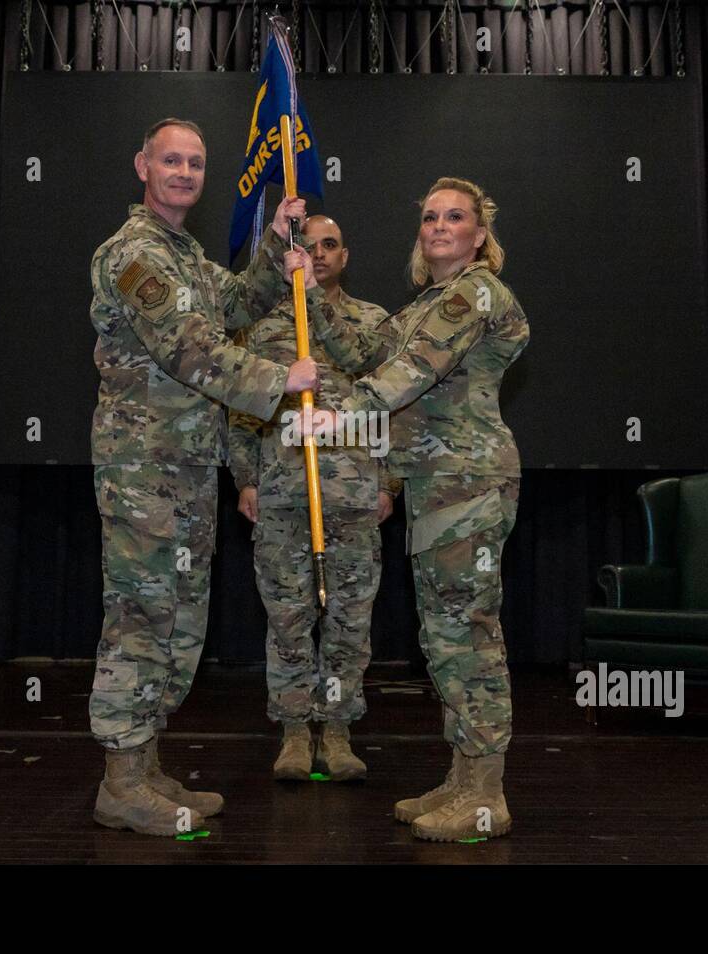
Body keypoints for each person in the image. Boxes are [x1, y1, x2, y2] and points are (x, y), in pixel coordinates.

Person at [87, 117, 320, 836]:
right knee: (140, 618)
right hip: (144, 470)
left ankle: (145, 764)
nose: (184, 172)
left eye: (194, 163)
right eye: (171, 161)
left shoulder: (182, 255)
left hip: (185, 471)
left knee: (179, 616)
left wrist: (278, 251)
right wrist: (284, 378)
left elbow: (233, 307)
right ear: (142, 166)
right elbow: (191, 350)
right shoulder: (133, 256)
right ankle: (120, 780)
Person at [304, 177, 528, 841]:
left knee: (470, 640)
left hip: (469, 485)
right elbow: (370, 355)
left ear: (479, 234)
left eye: (454, 216)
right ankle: (463, 777)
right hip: (437, 489)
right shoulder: (427, 305)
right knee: (444, 639)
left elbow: (408, 374)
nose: (438, 226)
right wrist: (312, 300)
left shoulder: (475, 293)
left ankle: (487, 794)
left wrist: (335, 416)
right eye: (429, 216)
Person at [228, 215, 398, 782]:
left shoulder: (372, 323)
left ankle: (340, 728)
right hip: (281, 492)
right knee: (288, 617)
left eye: (330, 246)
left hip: (351, 494)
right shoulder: (263, 324)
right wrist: (245, 479)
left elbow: (395, 407)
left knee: (349, 621)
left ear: (344, 256)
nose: (319, 254)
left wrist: (388, 483)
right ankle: (296, 731)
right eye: (309, 245)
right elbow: (240, 408)